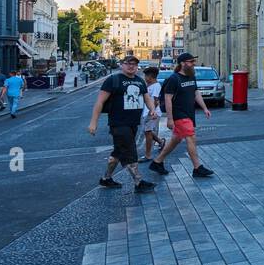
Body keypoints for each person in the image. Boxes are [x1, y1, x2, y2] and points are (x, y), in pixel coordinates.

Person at [89, 55, 156, 192]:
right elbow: (100, 102)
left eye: (134, 64)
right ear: (121, 65)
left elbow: (146, 97)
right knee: (130, 151)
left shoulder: (140, 81)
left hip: (133, 123)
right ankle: (138, 182)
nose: (131, 66)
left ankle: (106, 179)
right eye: (128, 63)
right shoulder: (113, 80)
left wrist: (152, 109)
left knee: (118, 152)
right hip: (118, 123)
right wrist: (93, 122)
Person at [150, 53, 214, 177]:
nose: (193, 64)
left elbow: (196, 93)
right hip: (179, 114)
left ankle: (157, 162)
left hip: (189, 113)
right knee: (191, 137)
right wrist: (170, 119)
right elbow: (168, 99)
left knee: (176, 140)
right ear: (182, 63)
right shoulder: (174, 79)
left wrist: (205, 108)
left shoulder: (191, 76)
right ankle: (197, 168)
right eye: (191, 61)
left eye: (193, 61)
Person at [141, 65, 167, 163]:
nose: (145, 78)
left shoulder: (156, 86)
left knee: (147, 132)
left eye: (146, 76)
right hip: (148, 112)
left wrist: (152, 112)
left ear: (150, 77)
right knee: (147, 131)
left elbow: (156, 101)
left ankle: (148, 155)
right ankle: (161, 141)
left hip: (152, 113)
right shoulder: (150, 85)